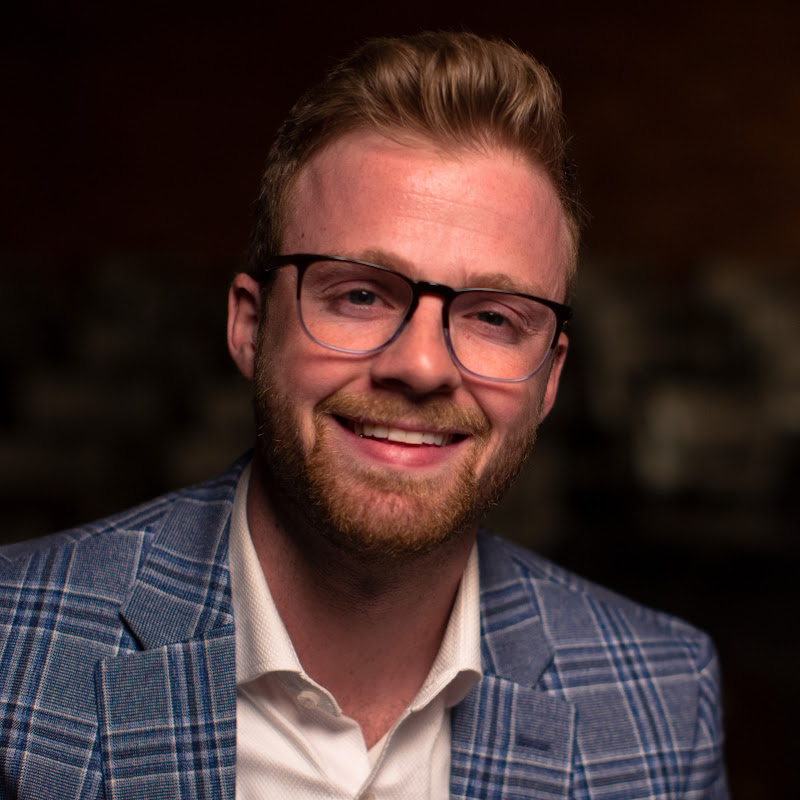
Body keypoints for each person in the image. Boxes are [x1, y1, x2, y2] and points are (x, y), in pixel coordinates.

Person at [0, 31, 727, 800]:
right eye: (359, 295)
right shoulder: (14, 660)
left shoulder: (662, 706)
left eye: (492, 317)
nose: (422, 366)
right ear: (250, 326)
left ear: (549, 377)